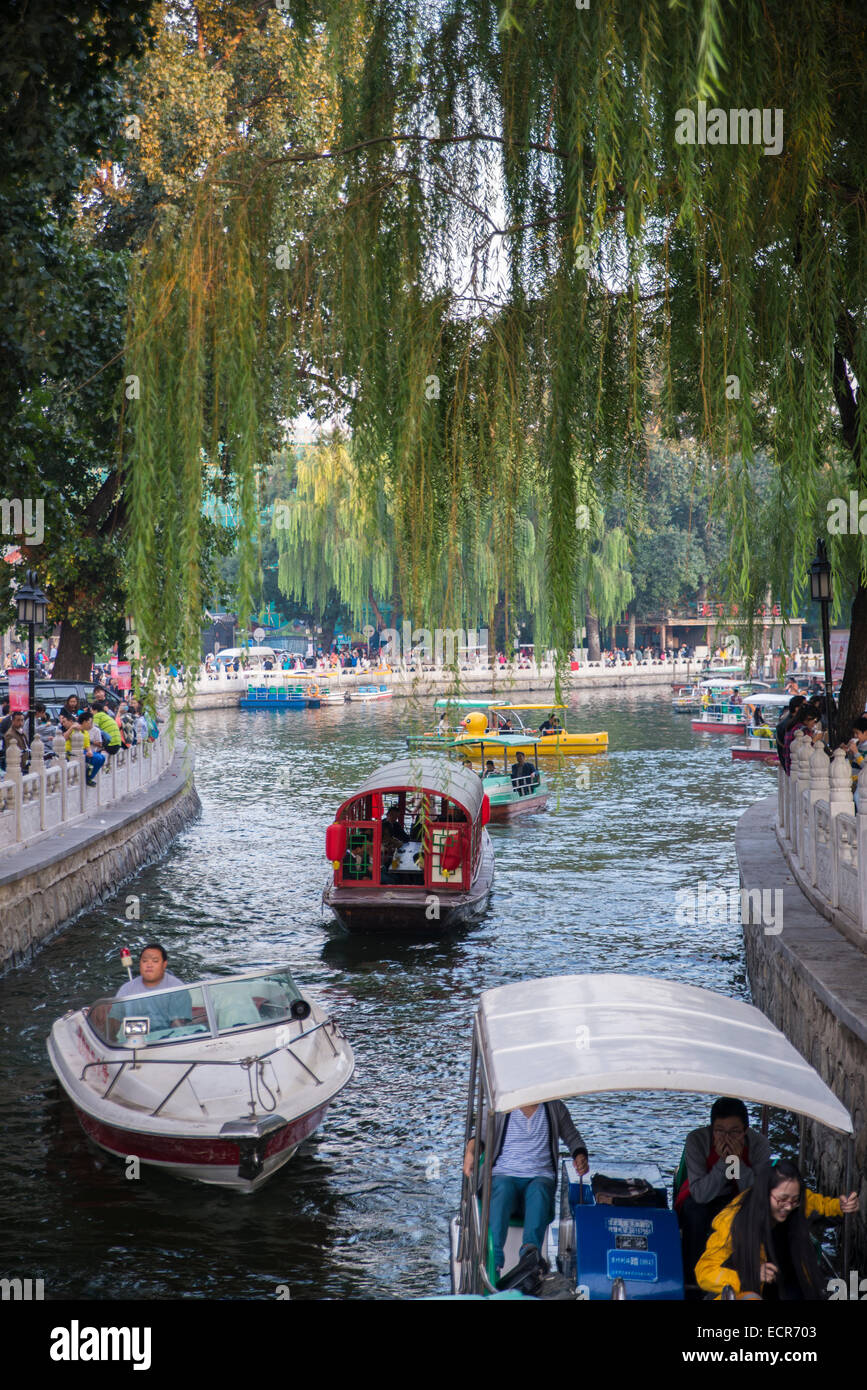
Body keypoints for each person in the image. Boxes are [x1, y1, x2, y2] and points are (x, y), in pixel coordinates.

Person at [696, 1158, 858, 1300]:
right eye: (782, 1200)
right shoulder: (732, 1221)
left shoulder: (799, 1202)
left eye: (795, 1200)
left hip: (787, 1283)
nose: (788, 1206)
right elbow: (705, 1272)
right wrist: (750, 1274)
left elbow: (821, 1205)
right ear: (764, 1193)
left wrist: (842, 1205)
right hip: (746, 1292)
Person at [463, 1101, 590, 1277]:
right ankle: (493, 1260)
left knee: (539, 1190)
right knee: (502, 1188)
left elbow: (573, 1138)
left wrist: (580, 1155)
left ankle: (530, 1259)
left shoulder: (554, 1107)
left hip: (540, 1176)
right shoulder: (499, 1104)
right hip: (504, 1174)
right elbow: (480, 1136)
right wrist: (471, 1152)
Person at [674, 1098, 772, 1287]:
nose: (727, 1137)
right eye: (720, 1131)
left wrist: (736, 1161)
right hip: (705, 1197)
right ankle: (692, 1280)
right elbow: (700, 1194)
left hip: (742, 1198)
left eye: (734, 1132)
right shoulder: (697, 1140)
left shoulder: (759, 1145)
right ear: (712, 1129)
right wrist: (722, 1163)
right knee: (694, 1211)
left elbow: (757, 1193)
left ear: (745, 1131)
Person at [111, 944, 191, 1035]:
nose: (149, 965)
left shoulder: (177, 987)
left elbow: (178, 1026)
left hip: (169, 1038)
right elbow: (114, 1021)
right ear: (140, 964)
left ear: (164, 964)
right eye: (145, 961)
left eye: (155, 961)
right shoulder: (126, 989)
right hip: (136, 1040)